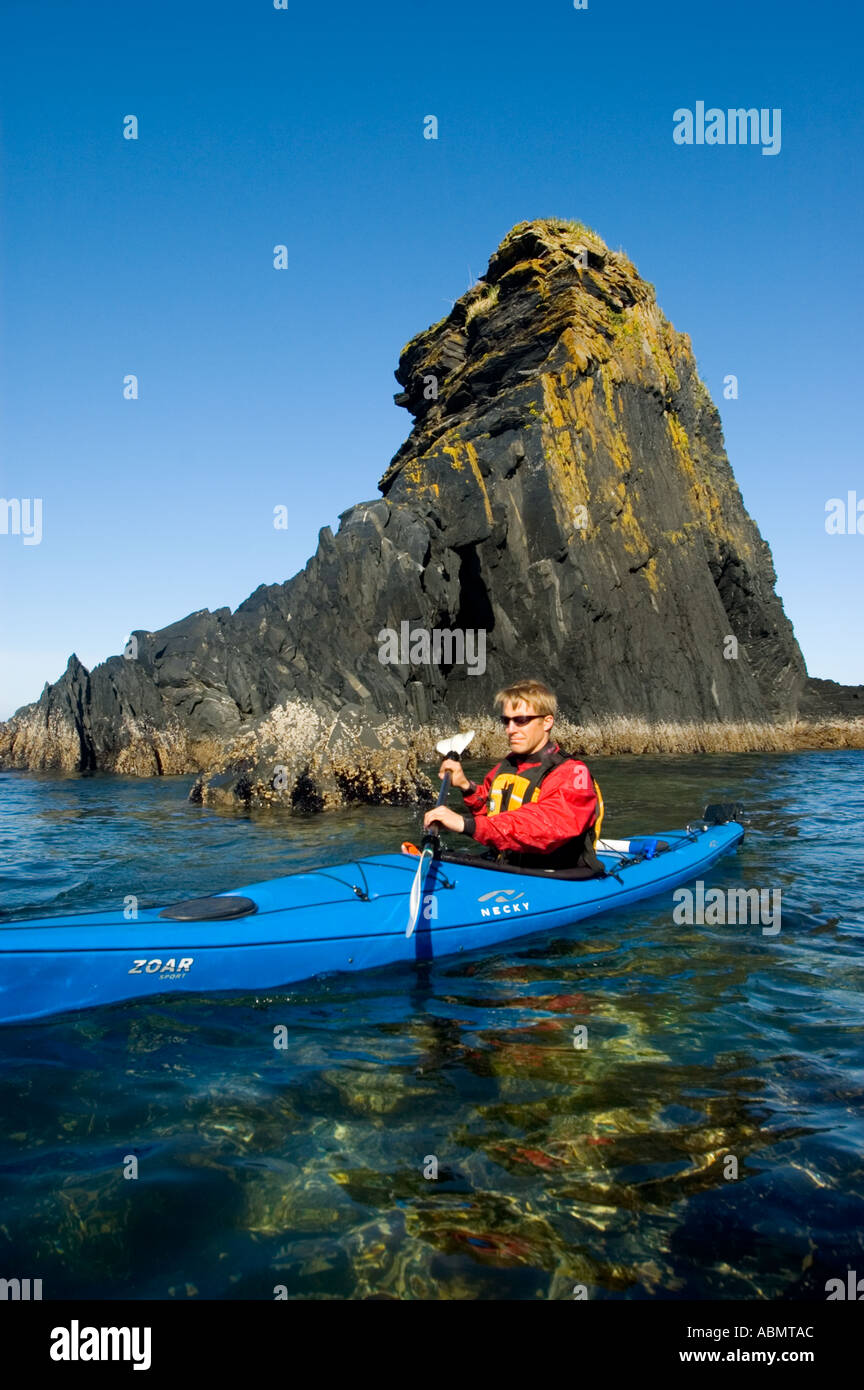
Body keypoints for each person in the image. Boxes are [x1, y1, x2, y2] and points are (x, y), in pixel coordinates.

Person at [423, 679, 605, 875]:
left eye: (521, 720)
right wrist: (466, 786)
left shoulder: (571, 773)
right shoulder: (509, 765)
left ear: (547, 722)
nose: (510, 729)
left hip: (558, 875)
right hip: (510, 867)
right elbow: (490, 810)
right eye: (506, 721)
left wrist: (465, 824)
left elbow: (546, 825)